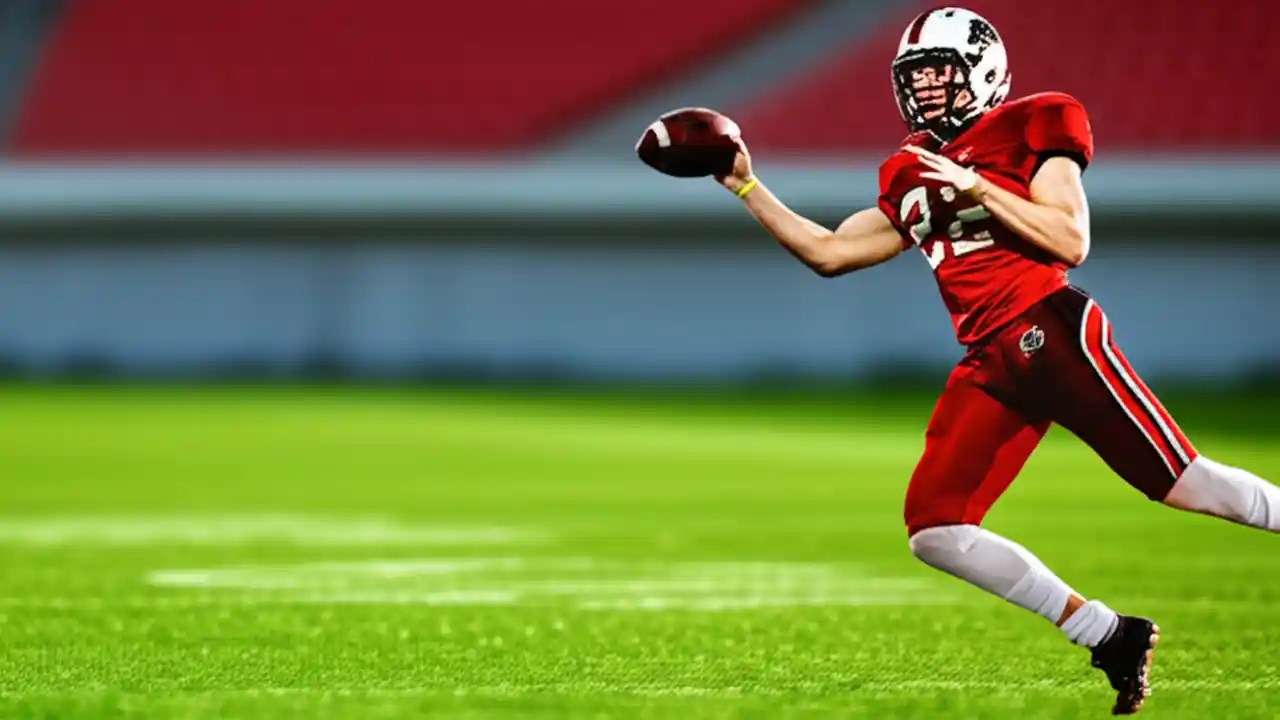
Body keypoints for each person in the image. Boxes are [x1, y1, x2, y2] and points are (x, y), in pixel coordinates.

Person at [714, 7, 1280, 715]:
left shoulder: (1037, 121)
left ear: (983, 69)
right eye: (914, 76)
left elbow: (1069, 239)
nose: (925, 88)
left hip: (1052, 330)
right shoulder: (906, 166)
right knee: (936, 529)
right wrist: (743, 185)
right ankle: (1108, 634)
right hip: (990, 361)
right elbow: (830, 252)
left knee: (1186, 486)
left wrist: (979, 187)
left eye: (939, 72)